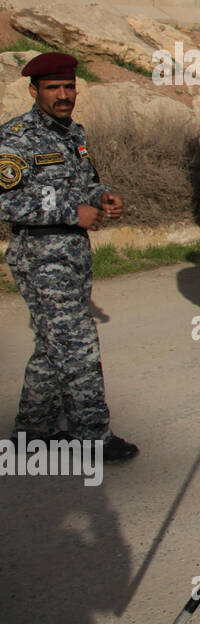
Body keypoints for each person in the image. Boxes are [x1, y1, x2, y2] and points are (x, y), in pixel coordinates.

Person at [0, 52, 137, 461]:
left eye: (68, 87)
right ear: (34, 91)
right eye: (52, 88)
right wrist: (69, 212)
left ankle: (31, 432)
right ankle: (92, 436)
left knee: (52, 343)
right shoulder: (14, 138)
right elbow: (5, 202)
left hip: (74, 253)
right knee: (78, 344)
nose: (63, 95)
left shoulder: (74, 133)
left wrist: (103, 196)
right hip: (40, 256)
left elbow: (86, 182)